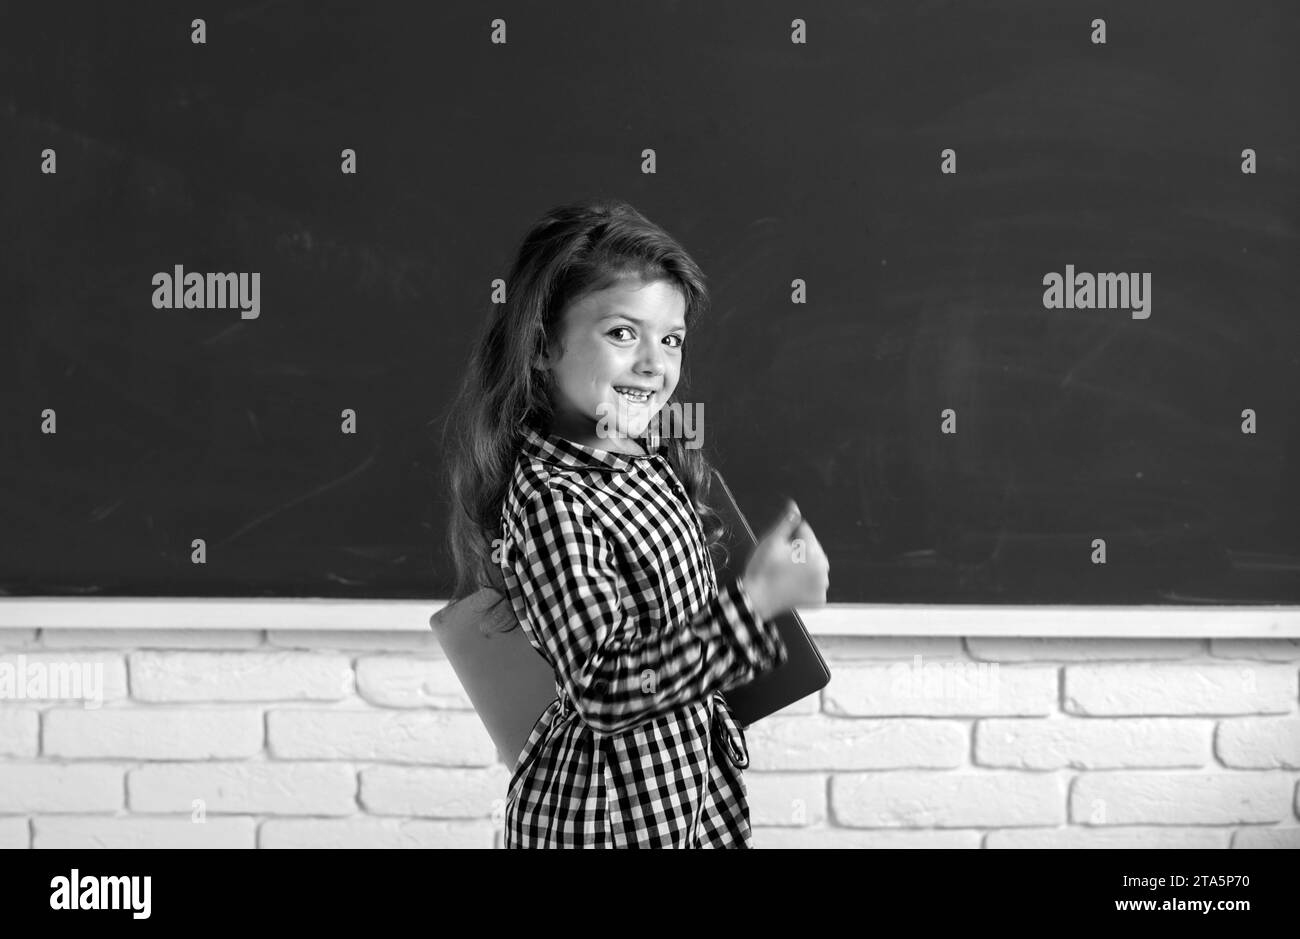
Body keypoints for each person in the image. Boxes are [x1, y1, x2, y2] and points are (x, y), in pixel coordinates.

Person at [441, 198, 830, 847]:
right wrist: (755, 602)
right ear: (541, 345)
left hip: (684, 795)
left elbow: (674, 637)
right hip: (606, 819)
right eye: (623, 333)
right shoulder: (552, 501)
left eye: (670, 338)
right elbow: (606, 686)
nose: (655, 363)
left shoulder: (646, 462)